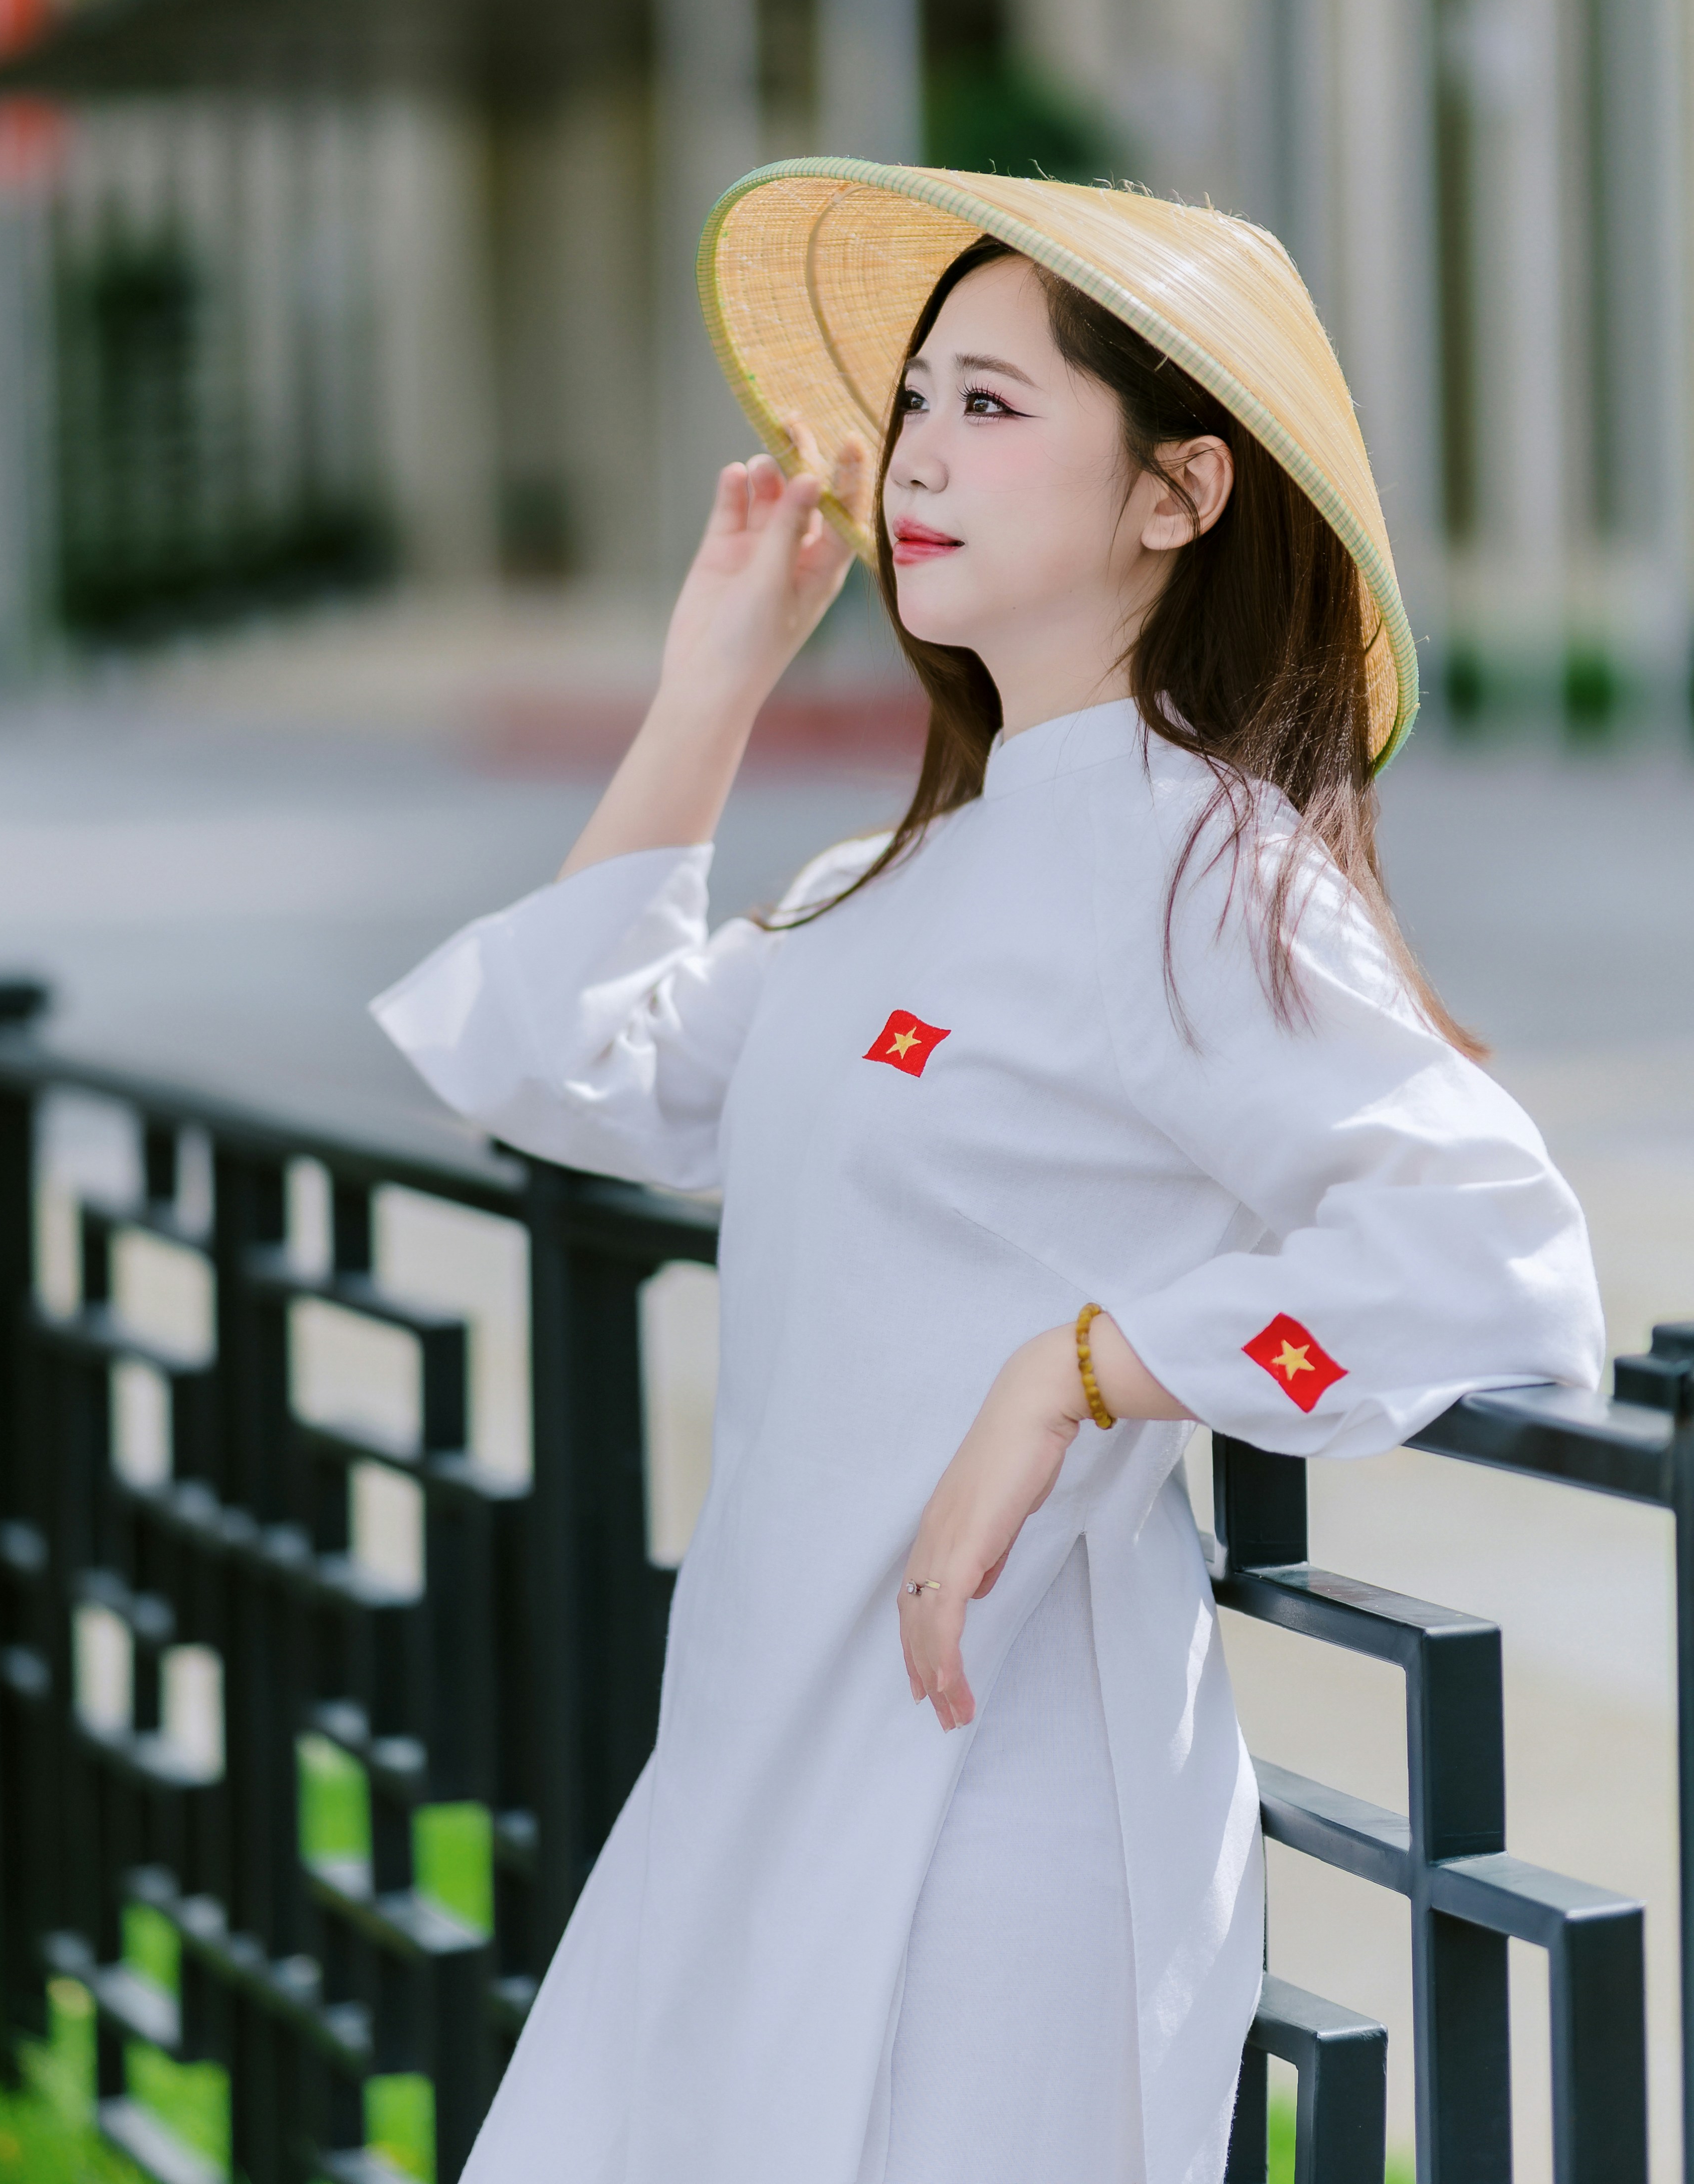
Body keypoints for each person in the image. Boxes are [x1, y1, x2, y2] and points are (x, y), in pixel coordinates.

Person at [372, 163, 1603, 2184]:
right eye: (919, 401)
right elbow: (561, 1064)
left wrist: (1084, 1370)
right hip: (752, 1771)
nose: (921, 457)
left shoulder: (1209, 873)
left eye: (995, 407)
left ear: (1176, 494)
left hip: (994, 1807)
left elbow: (1490, 1247)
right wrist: (716, 679)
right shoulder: (890, 885)